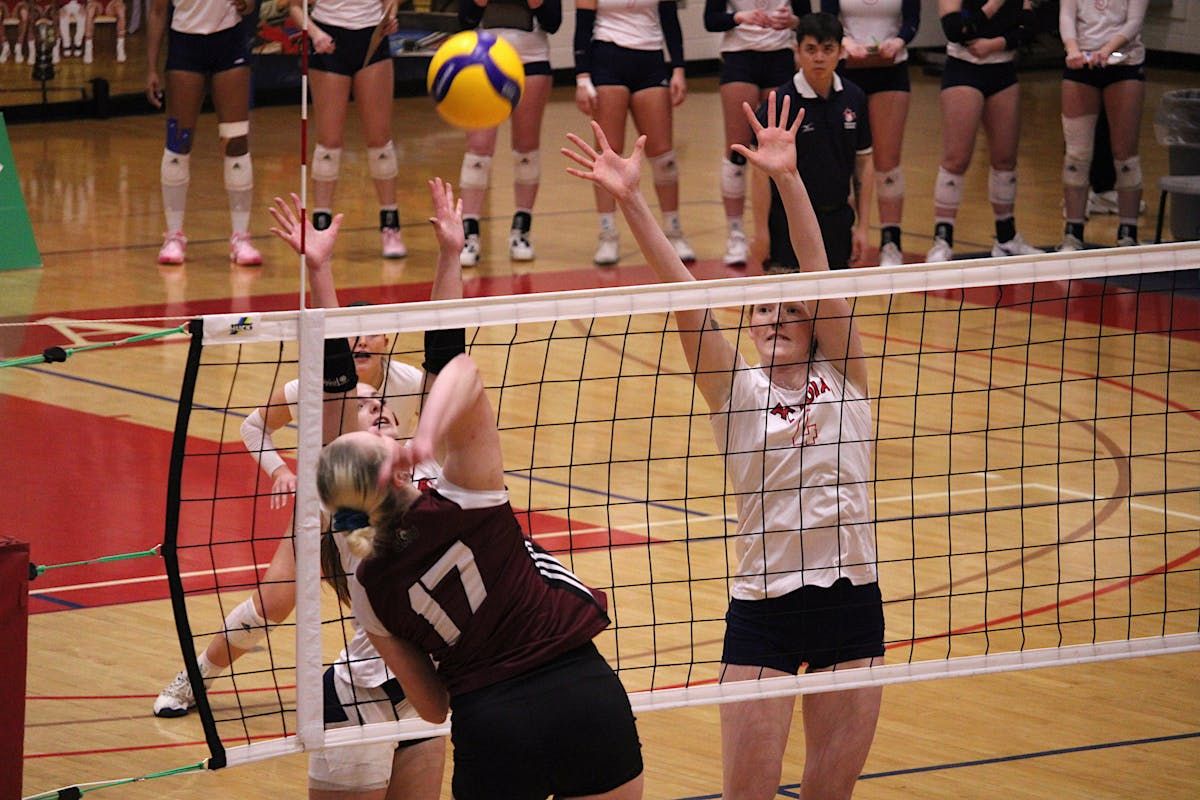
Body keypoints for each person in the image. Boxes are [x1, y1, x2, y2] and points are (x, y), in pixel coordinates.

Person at [564, 92, 884, 800]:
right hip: (764, 612)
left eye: (789, 310)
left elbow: (820, 271)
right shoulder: (735, 392)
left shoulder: (849, 381)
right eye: (762, 309)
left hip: (851, 606)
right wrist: (632, 201)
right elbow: (684, 296)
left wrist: (788, 178)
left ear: (813, 326)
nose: (774, 317)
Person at [153, 182, 467, 798]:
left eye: (387, 418)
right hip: (365, 691)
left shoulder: (431, 467)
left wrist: (450, 256)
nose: (379, 416)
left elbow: (446, 357)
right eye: (365, 416)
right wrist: (317, 273)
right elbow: (334, 379)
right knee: (272, 603)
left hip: (430, 699)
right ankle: (196, 675)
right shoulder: (345, 472)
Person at [316, 373, 644, 797]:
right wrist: (426, 439)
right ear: (399, 474)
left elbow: (433, 709)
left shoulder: (367, 589)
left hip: (490, 727)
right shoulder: (468, 496)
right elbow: (465, 374)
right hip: (582, 694)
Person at [573, 0, 693, 267]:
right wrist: (582, 78)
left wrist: (678, 69)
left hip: (650, 60)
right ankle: (607, 233)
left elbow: (670, 19)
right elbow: (582, 26)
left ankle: (673, 231)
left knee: (664, 155)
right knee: (608, 153)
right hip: (606, 60)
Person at [286, 0, 408, 259]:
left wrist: (390, 17)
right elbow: (295, 7)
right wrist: (315, 33)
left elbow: (390, 3)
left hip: (371, 37)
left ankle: (390, 225)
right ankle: (320, 227)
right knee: (328, 141)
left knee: (379, 139)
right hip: (329, 38)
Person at [146, 0, 263, 266]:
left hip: (229, 41)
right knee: (178, 142)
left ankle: (241, 237)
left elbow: (248, 6)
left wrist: (246, 6)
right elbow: (157, 11)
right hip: (185, 45)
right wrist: (151, 67)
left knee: (236, 140)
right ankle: (174, 235)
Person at [754, 12, 873, 272]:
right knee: (789, 311)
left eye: (827, 49)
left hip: (837, 223)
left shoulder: (855, 98)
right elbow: (760, 177)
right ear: (796, 51)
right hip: (786, 225)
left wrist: (862, 228)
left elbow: (864, 163)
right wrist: (761, 232)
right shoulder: (779, 104)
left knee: (835, 308)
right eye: (810, 49)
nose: (819, 57)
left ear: (841, 51)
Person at [927, 0, 1040, 262]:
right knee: (957, 158)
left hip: (1003, 70)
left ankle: (1006, 238)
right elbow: (955, 29)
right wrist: (994, 5)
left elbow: (1029, 28)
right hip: (963, 70)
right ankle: (942, 240)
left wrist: (995, 43)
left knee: (1005, 158)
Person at [455, 0, 562, 268]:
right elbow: (465, 18)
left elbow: (554, 22)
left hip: (532, 60)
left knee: (526, 147)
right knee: (478, 147)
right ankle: (469, 234)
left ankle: (521, 231)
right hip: (483, 59)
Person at [704, 0, 808, 266]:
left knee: (779, 151)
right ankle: (736, 234)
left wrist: (792, 22)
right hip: (740, 57)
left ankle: (782, 232)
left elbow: (807, 18)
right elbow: (711, 20)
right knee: (738, 150)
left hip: (780, 56)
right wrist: (741, 16)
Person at [822, 0, 919, 267]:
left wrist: (899, 41)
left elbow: (912, 20)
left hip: (891, 72)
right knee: (848, 161)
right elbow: (828, 17)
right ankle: (848, 236)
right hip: (848, 70)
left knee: (887, 161)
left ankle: (891, 242)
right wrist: (847, 43)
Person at [1057, 0, 1148, 250]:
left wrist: (1107, 50)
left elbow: (1134, 22)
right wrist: (1072, 49)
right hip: (1081, 66)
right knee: (1077, 154)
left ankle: (1128, 233)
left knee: (1125, 154)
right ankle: (1073, 232)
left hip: (1124, 65)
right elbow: (1067, 17)